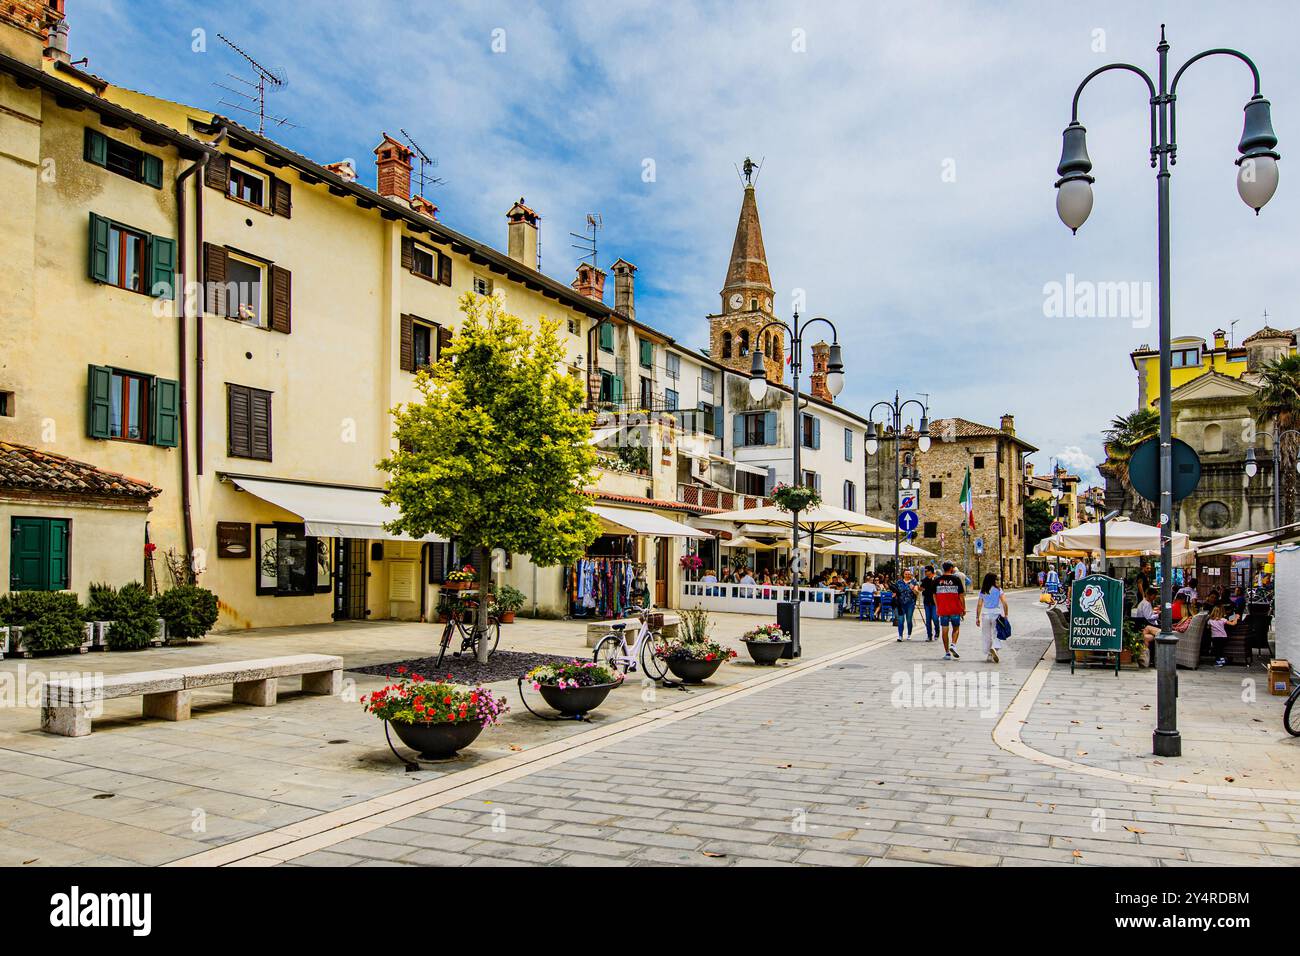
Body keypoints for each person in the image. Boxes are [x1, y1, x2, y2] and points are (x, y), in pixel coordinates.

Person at [934, 561, 966, 660]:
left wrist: (937, 606)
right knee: (956, 628)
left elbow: (934, 595)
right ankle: (953, 644)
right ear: (951, 568)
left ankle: (947, 652)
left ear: (943, 568)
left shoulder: (937, 580)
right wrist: (963, 608)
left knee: (944, 630)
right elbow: (961, 596)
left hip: (943, 608)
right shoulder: (956, 579)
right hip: (955, 608)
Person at [975, 571, 1009, 664]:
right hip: (996, 614)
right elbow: (1004, 603)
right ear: (993, 580)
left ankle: (989, 655)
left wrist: (977, 617)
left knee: (986, 635)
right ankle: (994, 647)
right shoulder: (998, 590)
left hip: (985, 614)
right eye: (996, 579)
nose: (997, 581)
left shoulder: (983, 590)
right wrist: (1006, 614)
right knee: (996, 633)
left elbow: (979, 605)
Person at [1131, 595, 1160, 665]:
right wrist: (1158, 615)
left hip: (1146, 626)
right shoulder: (1146, 604)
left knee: (1146, 631)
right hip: (1146, 624)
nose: (1155, 597)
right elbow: (1148, 617)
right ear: (1151, 595)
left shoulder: (1144, 603)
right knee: (1146, 636)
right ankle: (1145, 660)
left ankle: (1144, 659)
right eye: (1154, 596)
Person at [893, 568, 919, 642]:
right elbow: (895, 591)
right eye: (906, 574)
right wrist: (894, 594)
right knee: (901, 620)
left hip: (910, 603)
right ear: (903, 574)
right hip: (900, 603)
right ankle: (900, 636)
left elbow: (917, 593)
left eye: (909, 574)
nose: (907, 575)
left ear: (911, 574)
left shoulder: (914, 582)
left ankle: (909, 634)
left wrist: (913, 588)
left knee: (909, 620)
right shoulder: (899, 582)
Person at [919, 565, 940, 642]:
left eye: (927, 571)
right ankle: (929, 635)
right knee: (928, 620)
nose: (926, 572)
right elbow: (921, 588)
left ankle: (937, 632)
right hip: (927, 602)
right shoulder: (924, 580)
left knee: (935, 618)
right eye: (925, 571)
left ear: (931, 571)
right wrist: (919, 588)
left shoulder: (937, 579)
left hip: (935, 602)